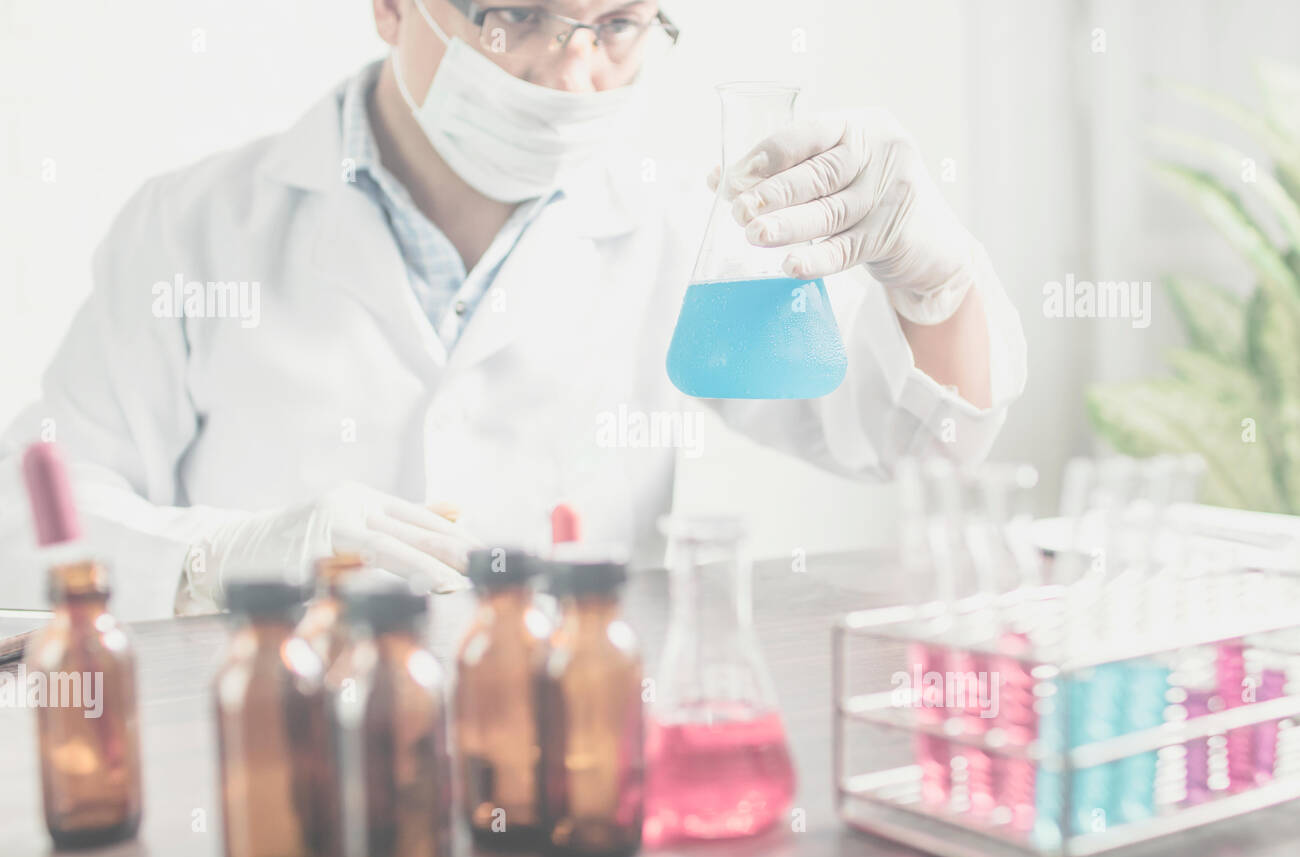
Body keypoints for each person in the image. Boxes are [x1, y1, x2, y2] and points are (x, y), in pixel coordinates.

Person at [0, 0, 1026, 619]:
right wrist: (221, 556)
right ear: (393, 5)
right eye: (512, 14)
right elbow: (21, 518)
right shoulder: (193, 228)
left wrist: (931, 273)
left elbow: (911, 441)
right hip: (276, 764)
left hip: (562, 764)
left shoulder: (678, 234)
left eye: (617, 25)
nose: (568, 71)